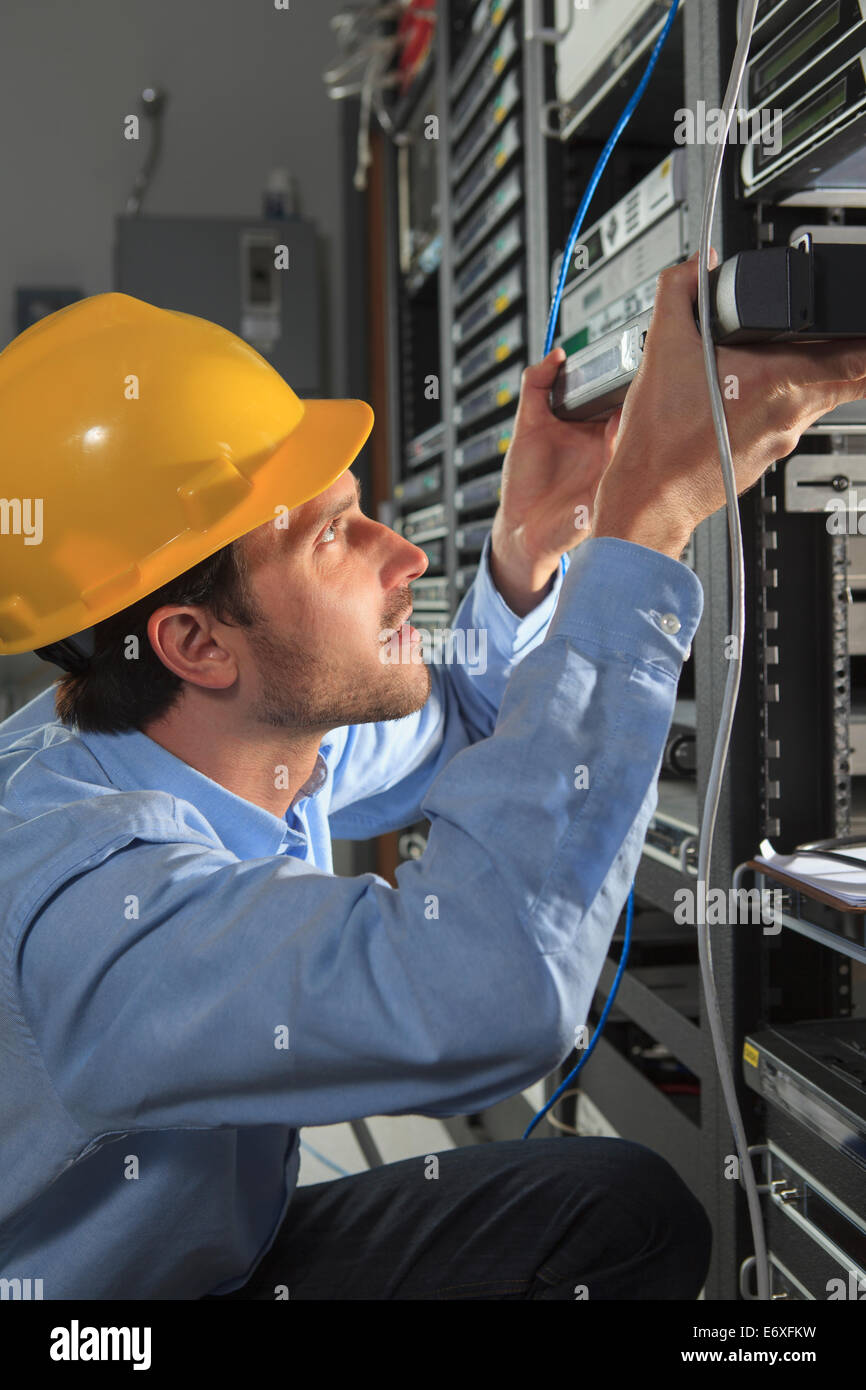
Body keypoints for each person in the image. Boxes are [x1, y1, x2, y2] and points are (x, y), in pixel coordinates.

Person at [1, 253, 864, 1301]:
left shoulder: (190, 732)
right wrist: (641, 527)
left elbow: (451, 726)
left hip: (212, 1251)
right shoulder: (93, 912)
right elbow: (486, 990)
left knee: (612, 1211)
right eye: (334, 537)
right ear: (194, 642)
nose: (402, 554)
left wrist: (530, 545)